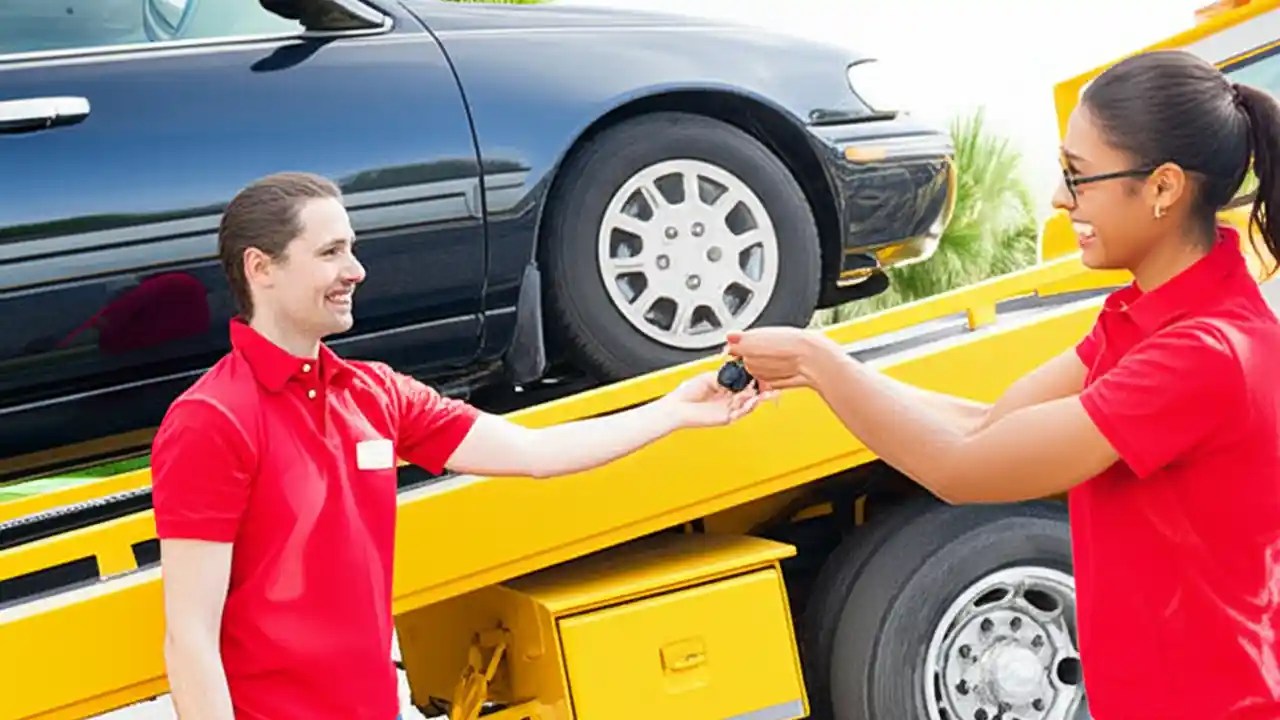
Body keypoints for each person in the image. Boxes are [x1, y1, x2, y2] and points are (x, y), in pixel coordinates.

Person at [726, 49, 1280, 720]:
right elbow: (990, 425)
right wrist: (824, 370)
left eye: (1078, 177)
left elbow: (963, 471)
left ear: (1163, 188)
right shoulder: (1149, 322)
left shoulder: (1203, 354)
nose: (1059, 199)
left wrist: (822, 366)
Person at [150, 171, 766, 720]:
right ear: (261, 268)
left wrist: (672, 412)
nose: (355, 270)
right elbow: (190, 637)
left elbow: (535, 453)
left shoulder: (375, 393)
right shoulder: (213, 420)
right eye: (331, 252)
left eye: (352, 249)